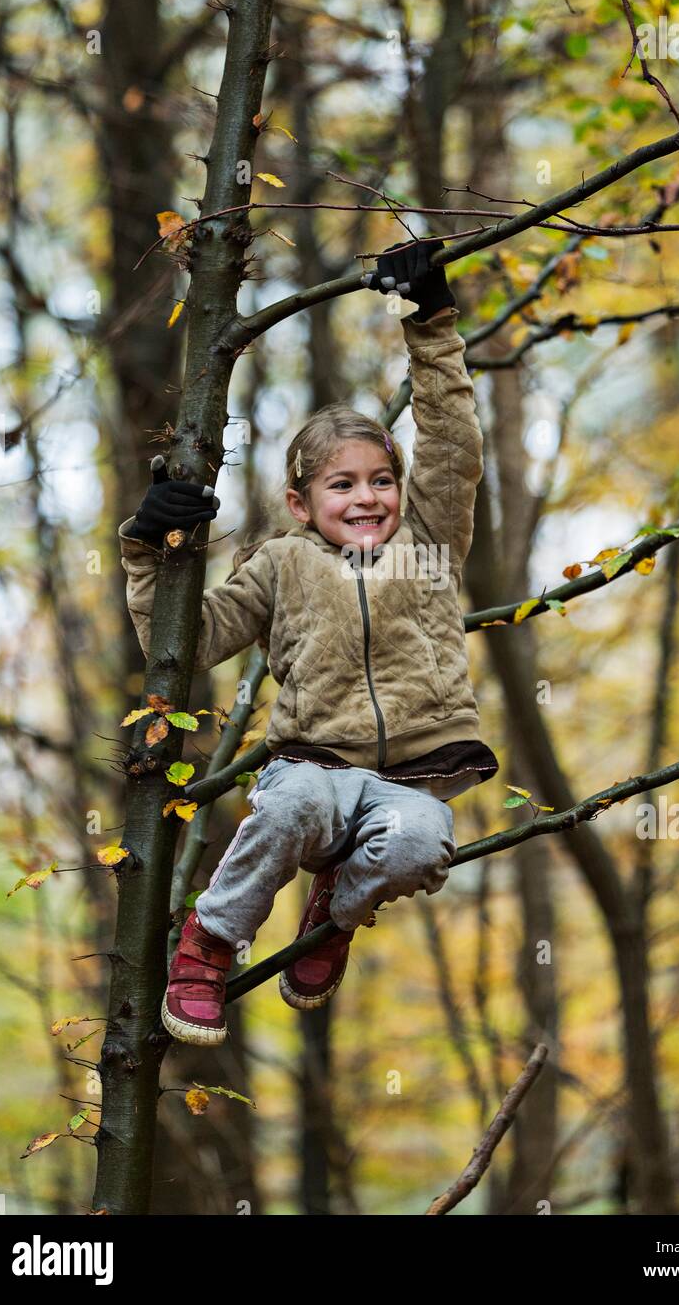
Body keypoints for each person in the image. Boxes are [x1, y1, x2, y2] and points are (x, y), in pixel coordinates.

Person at [118, 239, 498, 1046]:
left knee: (421, 848)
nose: (368, 497)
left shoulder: (429, 541)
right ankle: (211, 941)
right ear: (299, 502)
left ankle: (333, 914)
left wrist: (429, 322)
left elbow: (454, 444)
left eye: (381, 480)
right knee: (289, 805)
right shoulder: (280, 566)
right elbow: (181, 645)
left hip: (411, 781)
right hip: (312, 767)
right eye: (343, 484)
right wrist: (150, 555)